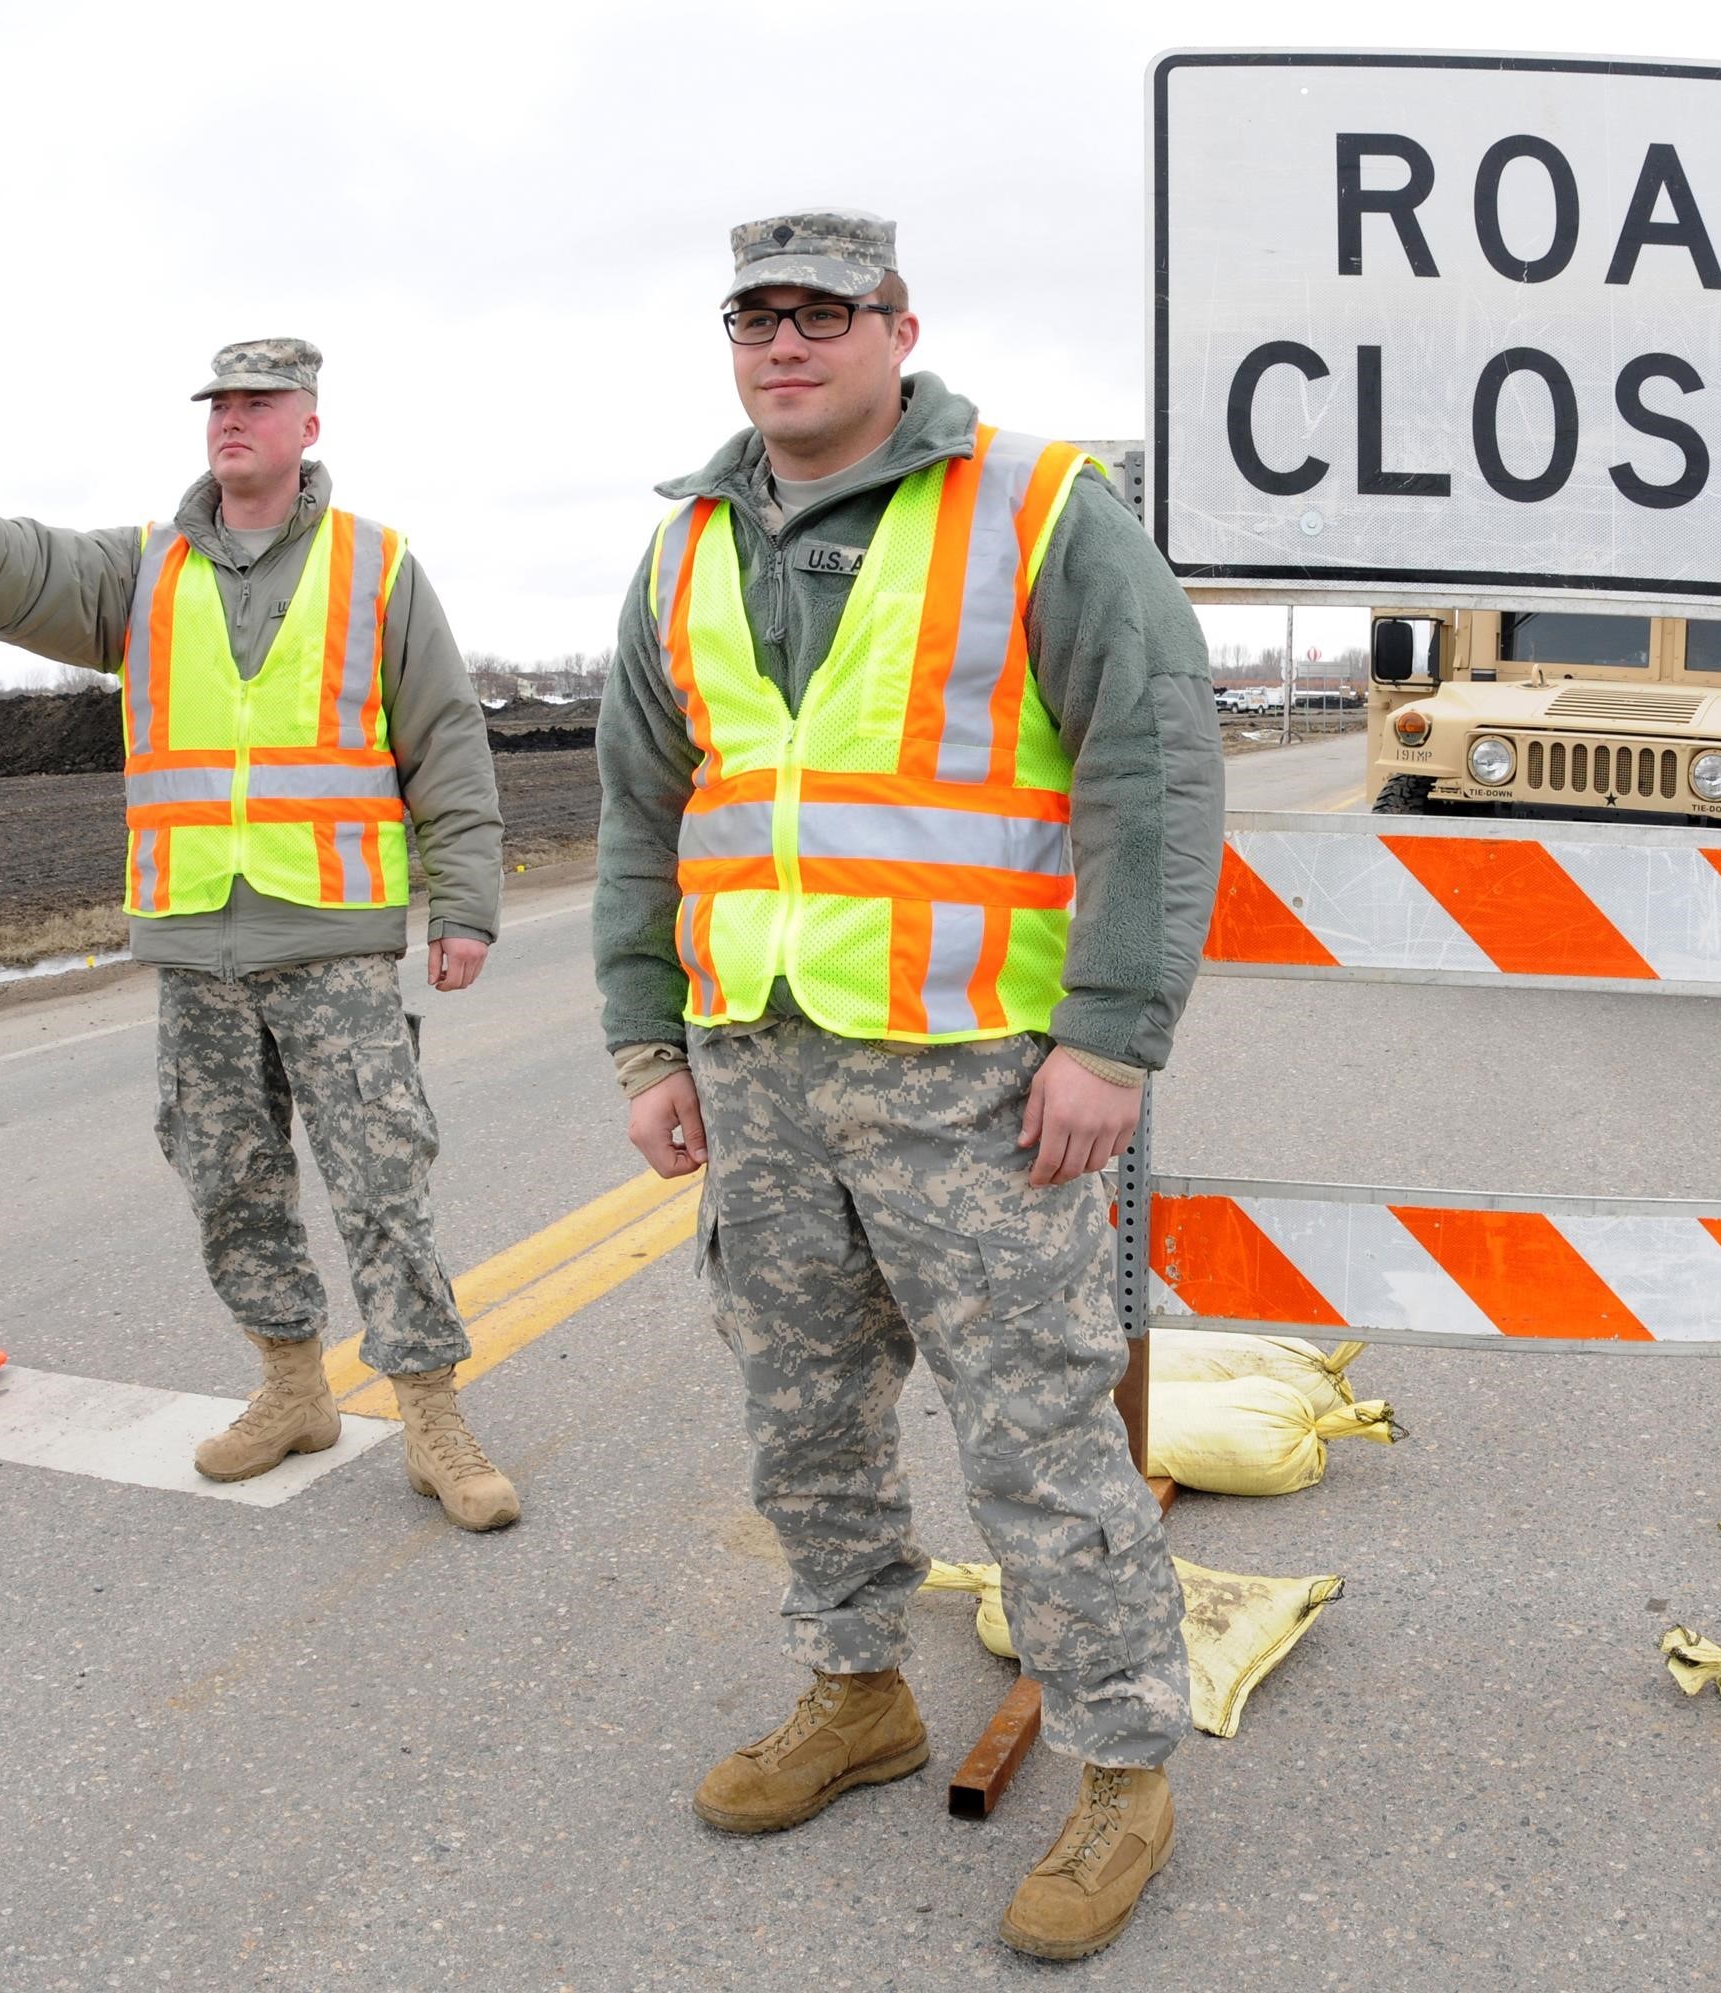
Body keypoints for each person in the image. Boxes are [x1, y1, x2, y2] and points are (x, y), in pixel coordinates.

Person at [594, 212, 1225, 1960]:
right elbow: (645, 819)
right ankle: (856, 1690)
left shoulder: (1036, 507)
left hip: (977, 1080)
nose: (783, 342)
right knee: (801, 1417)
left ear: (898, 328)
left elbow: (1154, 772)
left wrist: (1111, 1036)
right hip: (764, 1074)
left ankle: (1120, 1770)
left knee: (1036, 1429)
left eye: (822, 313)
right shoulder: (682, 550)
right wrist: (650, 1042)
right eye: (754, 314)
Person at [0, 339, 521, 1531]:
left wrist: (465, 906)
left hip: (332, 939)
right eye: (217, 403)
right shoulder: (144, 568)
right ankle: (292, 1389)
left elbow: (446, 739)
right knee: (230, 1181)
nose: (230, 419)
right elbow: (24, 576)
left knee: (382, 1182)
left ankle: (430, 1416)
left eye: (256, 403)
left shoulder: (377, 566)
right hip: (195, 945)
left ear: (307, 425)